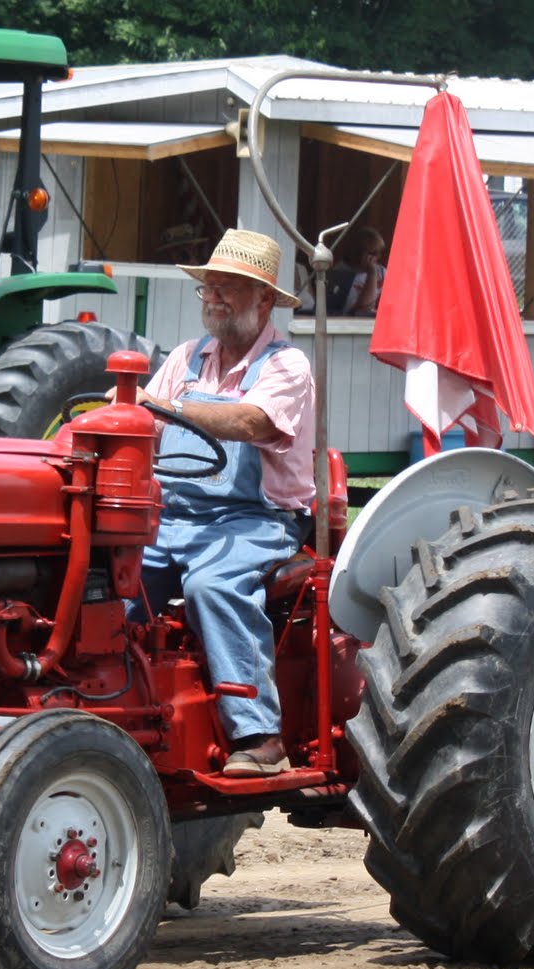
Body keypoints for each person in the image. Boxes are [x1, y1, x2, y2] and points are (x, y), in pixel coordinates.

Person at [133, 229, 316, 778]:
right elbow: (146, 423)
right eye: (208, 287)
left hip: (258, 519)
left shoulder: (287, 366)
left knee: (211, 585)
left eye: (228, 287)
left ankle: (259, 734)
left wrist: (163, 406)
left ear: (263, 299)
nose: (212, 297)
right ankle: (119, 708)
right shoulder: (187, 358)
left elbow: (249, 422)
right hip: (176, 517)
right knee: (110, 582)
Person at [340, 226, 386, 316]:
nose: (378, 257)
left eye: (379, 253)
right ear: (358, 253)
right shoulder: (341, 273)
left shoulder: (382, 271)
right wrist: (372, 274)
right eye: (373, 253)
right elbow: (363, 309)